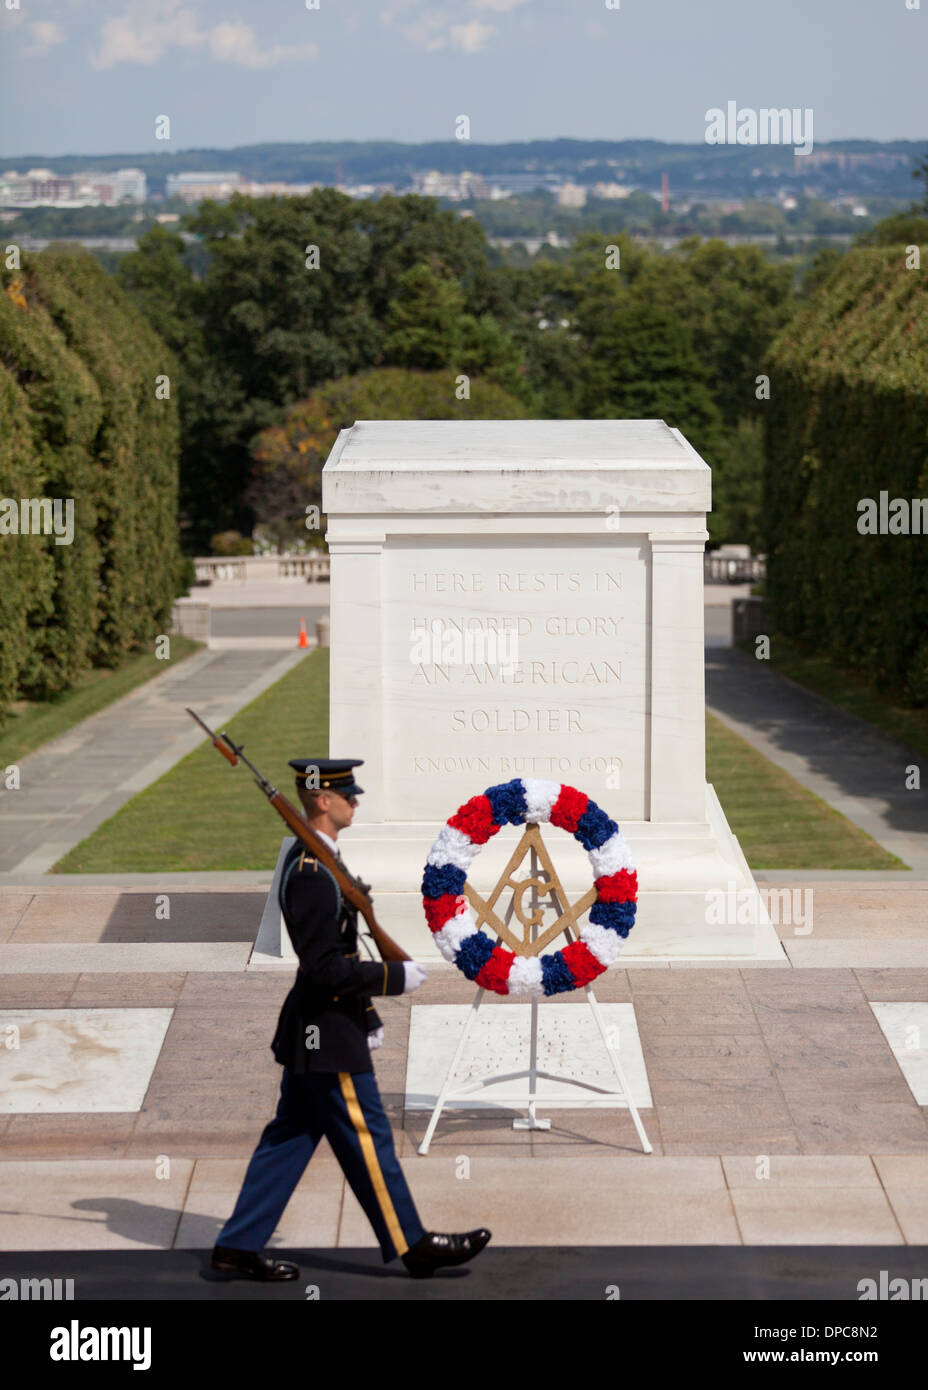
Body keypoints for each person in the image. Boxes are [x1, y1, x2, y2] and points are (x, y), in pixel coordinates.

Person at [210, 757, 491, 1281]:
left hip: (323, 1027)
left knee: (290, 1137)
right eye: (347, 795)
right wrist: (390, 979)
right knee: (369, 1138)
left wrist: (367, 1016)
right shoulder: (313, 874)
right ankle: (413, 1245)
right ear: (322, 801)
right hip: (327, 1035)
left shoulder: (320, 862)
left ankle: (237, 1245)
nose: (355, 801)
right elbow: (322, 970)